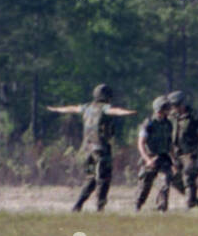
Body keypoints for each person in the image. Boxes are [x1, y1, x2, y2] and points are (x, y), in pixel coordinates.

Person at [48, 83, 135, 212]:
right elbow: (114, 111)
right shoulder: (104, 108)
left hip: (87, 149)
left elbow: (72, 108)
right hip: (101, 148)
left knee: (91, 179)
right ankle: (100, 207)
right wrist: (127, 112)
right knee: (103, 179)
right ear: (107, 97)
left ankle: (78, 205)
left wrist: (57, 109)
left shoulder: (87, 107)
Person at [134, 96, 176, 212]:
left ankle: (162, 209)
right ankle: (137, 206)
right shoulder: (149, 124)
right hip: (151, 157)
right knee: (145, 185)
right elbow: (141, 143)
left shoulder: (168, 124)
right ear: (160, 109)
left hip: (164, 158)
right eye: (166, 107)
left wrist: (174, 160)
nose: (169, 110)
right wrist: (147, 159)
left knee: (165, 183)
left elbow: (169, 143)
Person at [167, 90, 198, 209]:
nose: (175, 108)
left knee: (188, 177)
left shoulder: (195, 117)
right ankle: (193, 199)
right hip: (175, 153)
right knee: (172, 178)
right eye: (173, 106)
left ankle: (189, 205)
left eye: (177, 105)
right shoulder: (171, 117)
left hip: (191, 153)